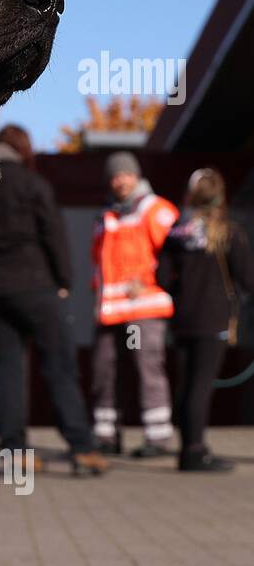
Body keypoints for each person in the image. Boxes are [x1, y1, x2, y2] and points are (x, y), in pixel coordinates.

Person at [0, 124, 106, 476]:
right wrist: (63, 282)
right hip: (38, 288)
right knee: (60, 366)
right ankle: (81, 448)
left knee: (7, 371)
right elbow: (54, 235)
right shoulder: (32, 185)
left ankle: (15, 452)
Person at [157, 168, 253, 472]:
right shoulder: (228, 231)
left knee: (187, 384)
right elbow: (248, 278)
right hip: (213, 319)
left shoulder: (177, 231)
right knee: (201, 385)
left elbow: (161, 275)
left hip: (182, 318)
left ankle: (188, 446)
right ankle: (195, 452)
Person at [90, 151, 179, 456]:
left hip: (144, 308)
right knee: (103, 371)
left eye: (125, 174)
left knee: (148, 370)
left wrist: (150, 279)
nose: (120, 181)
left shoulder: (155, 209)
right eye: (114, 176)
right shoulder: (107, 214)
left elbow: (175, 253)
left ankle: (158, 438)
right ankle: (106, 436)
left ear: (137, 176)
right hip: (110, 310)